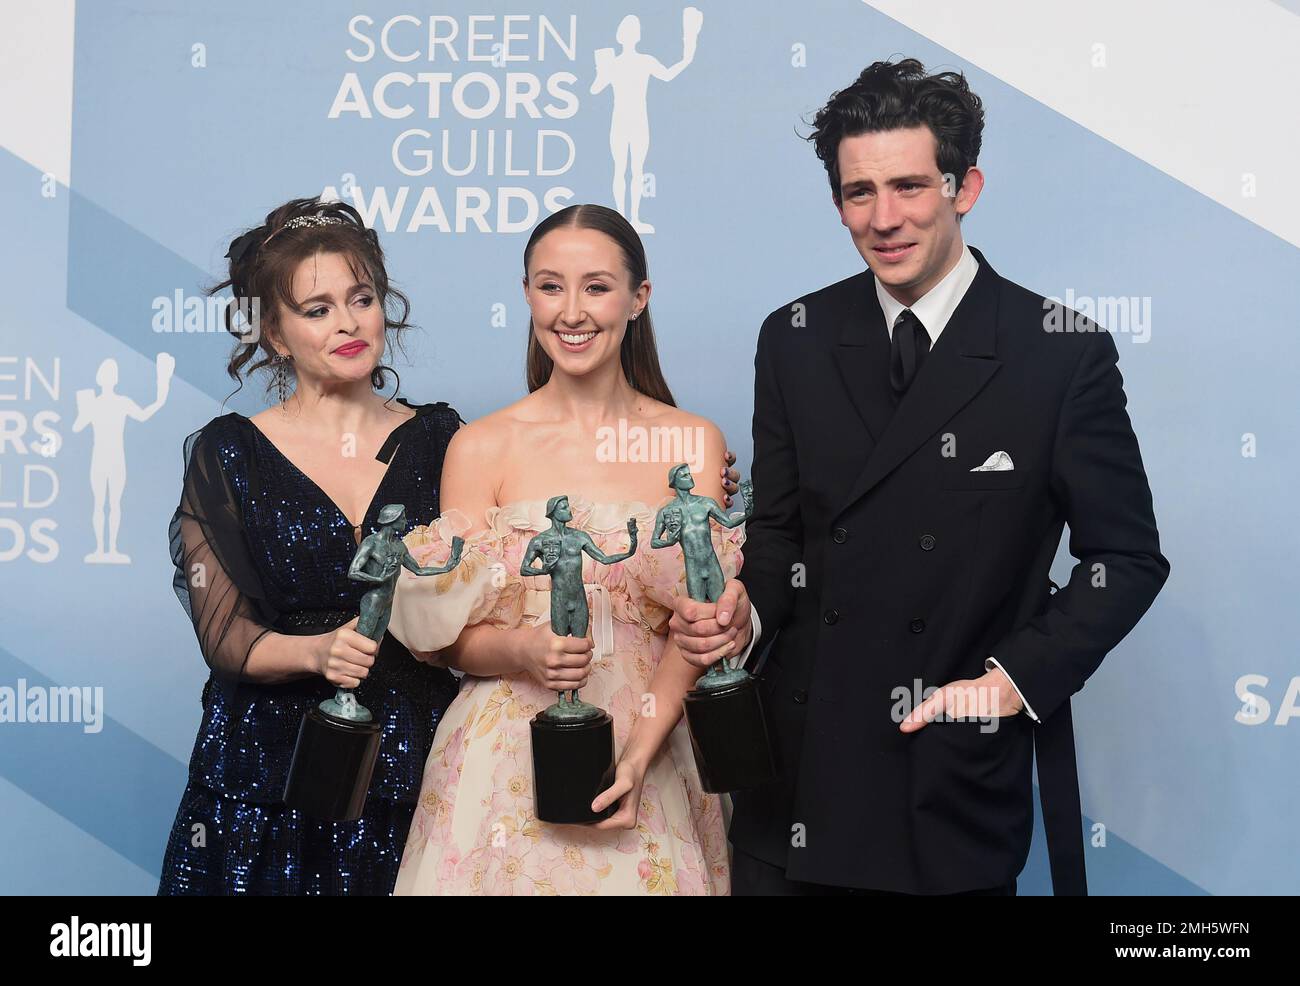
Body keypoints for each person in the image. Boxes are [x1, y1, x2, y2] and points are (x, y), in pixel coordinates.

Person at [668, 58, 1171, 895]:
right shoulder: (794, 336)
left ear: (964, 186)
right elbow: (780, 533)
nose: (884, 218)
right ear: (836, 202)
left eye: (909, 186)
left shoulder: (1058, 351)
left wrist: (1008, 686)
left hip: (940, 780)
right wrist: (740, 616)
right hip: (793, 784)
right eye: (859, 193)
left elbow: (1127, 558)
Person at [387, 204, 752, 895]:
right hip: (501, 758)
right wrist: (522, 652)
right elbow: (447, 639)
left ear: (638, 298)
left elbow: (696, 622)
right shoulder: (480, 446)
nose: (572, 311)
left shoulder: (691, 442)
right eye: (551, 286)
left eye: (597, 286)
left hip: (649, 743)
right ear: (527, 294)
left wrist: (639, 755)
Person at [157, 197, 463, 894]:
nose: (349, 322)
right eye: (317, 308)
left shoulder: (445, 439)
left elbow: (512, 538)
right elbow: (225, 634)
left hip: (415, 760)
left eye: (362, 298)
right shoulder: (229, 453)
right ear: (275, 333)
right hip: (270, 770)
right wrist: (316, 652)